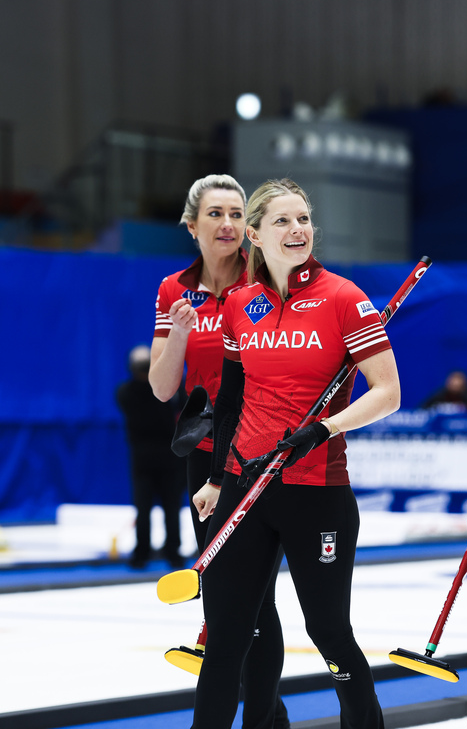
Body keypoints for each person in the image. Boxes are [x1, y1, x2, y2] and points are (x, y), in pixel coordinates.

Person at [192, 178, 401, 729]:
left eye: (304, 219)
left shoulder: (344, 299)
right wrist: (217, 477)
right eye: (282, 221)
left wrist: (324, 428)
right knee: (227, 633)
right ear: (254, 235)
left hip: (317, 491)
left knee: (328, 631)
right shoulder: (240, 304)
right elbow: (232, 399)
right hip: (246, 486)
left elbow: (388, 393)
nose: (298, 230)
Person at [149, 174, 290, 729]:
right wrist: (180, 334)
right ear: (192, 225)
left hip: (261, 455)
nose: (228, 224)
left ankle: (263, 717)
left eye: (237, 214)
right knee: (229, 594)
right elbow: (163, 388)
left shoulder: (267, 280)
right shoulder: (172, 290)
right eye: (215, 214)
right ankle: (268, 717)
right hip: (206, 457)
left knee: (253, 594)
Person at [117, 344, 186, 569]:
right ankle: (148, 552)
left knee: (169, 507)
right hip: (149, 457)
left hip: (163, 456)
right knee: (150, 507)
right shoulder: (128, 393)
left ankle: (166, 552)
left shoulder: (127, 392)